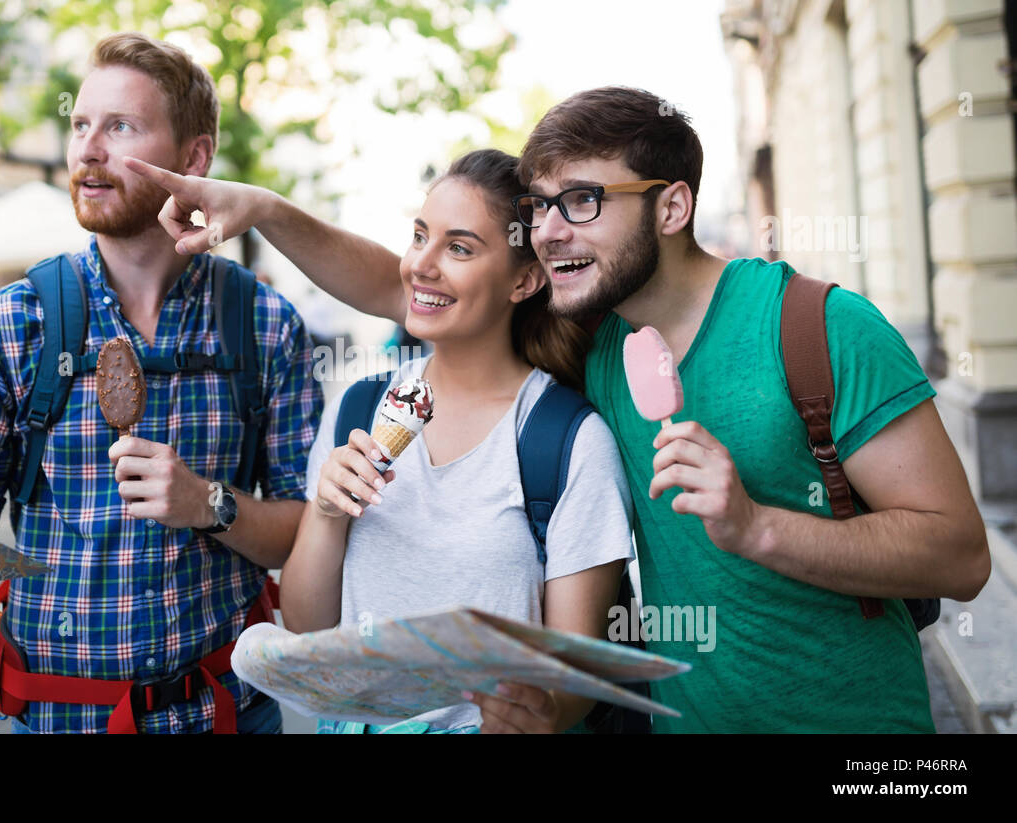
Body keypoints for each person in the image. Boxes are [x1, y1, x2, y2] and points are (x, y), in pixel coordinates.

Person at [128, 87, 990, 733]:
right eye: (541, 208)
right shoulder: (603, 347)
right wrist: (265, 209)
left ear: (673, 206)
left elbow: (962, 557)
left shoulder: (819, 327)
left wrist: (759, 525)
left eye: (581, 202)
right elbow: (417, 283)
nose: (549, 228)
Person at [0, 33, 322, 734]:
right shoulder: (6, 327)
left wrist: (206, 502)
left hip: (229, 712)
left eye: (120, 126)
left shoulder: (264, 324)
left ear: (193, 158)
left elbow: (306, 536)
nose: (87, 151)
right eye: (80, 126)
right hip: (62, 718)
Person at [278, 149, 634, 733]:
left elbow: (571, 681)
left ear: (524, 279)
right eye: (420, 236)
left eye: (460, 247)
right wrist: (325, 512)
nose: (422, 264)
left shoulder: (568, 442)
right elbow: (308, 631)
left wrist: (528, 714)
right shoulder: (359, 409)